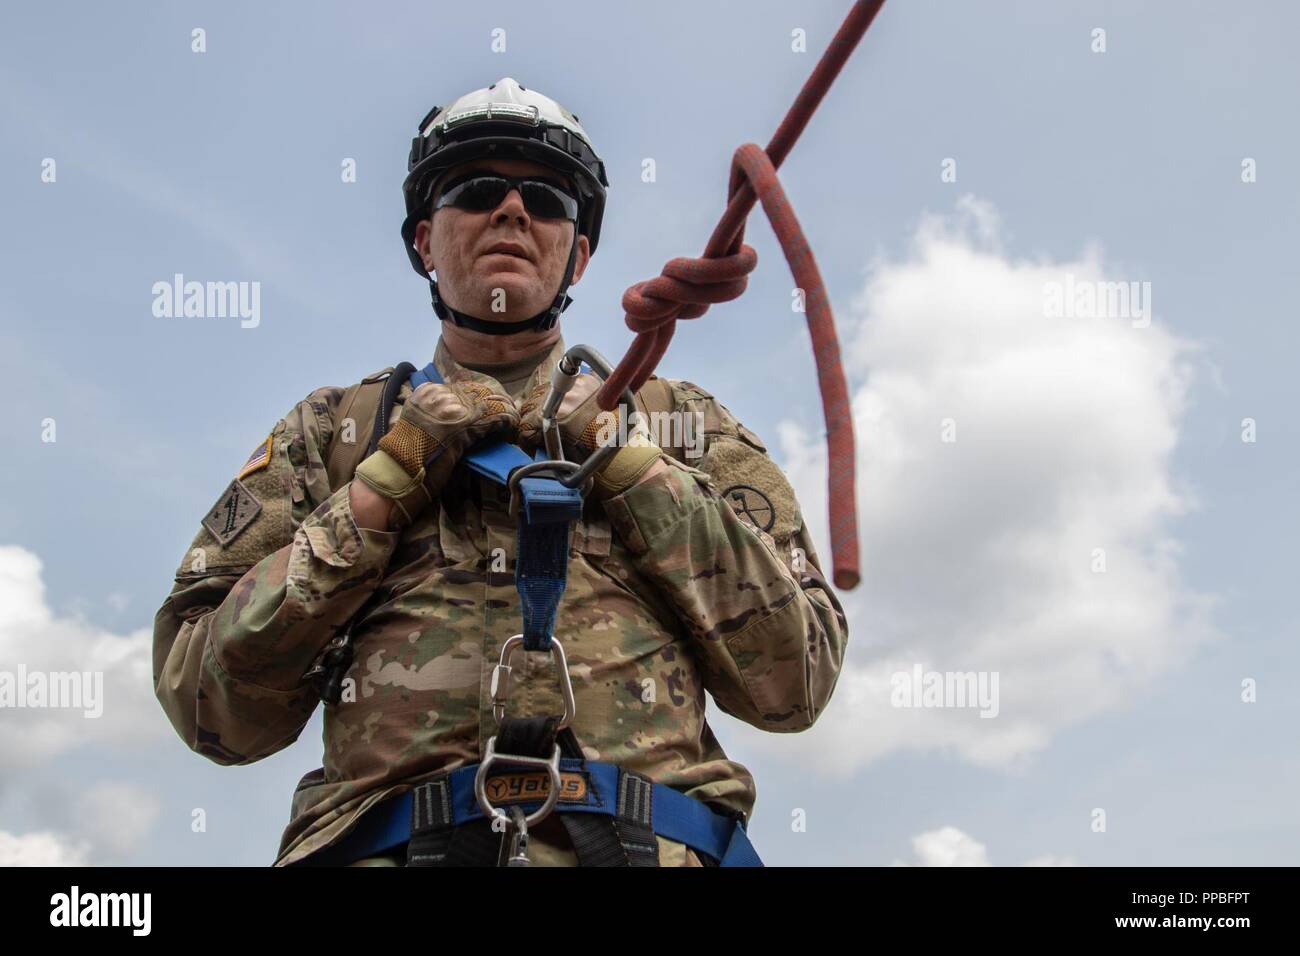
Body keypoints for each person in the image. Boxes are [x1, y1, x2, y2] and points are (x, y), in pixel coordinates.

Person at [152, 77, 849, 867]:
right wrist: (386, 485)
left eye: (549, 201)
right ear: (424, 241)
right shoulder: (334, 430)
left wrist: (632, 467)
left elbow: (797, 681)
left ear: (578, 253)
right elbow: (210, 708)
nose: (514, 211)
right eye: (477, 190)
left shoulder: (681, 424)